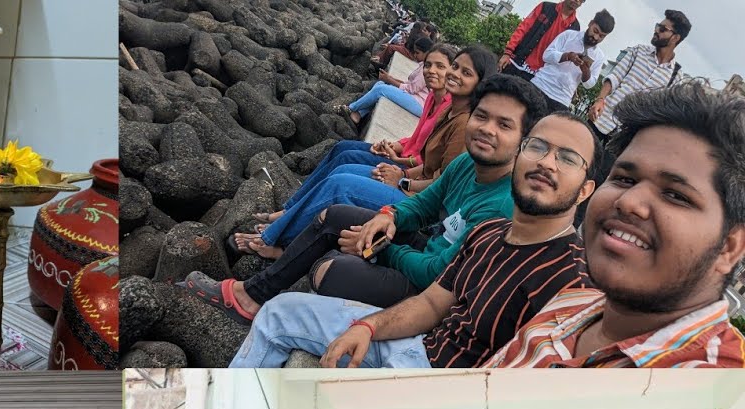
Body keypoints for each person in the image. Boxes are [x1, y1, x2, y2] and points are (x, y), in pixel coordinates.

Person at [227, 111, 595, 369]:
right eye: (538, 148)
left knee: (330, 268)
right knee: (279, 313)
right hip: (415, 344)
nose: (547, 163)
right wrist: (368, 327)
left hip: (432, 388)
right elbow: (433, 303)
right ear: (520, 155)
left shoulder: (570, 285)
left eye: (567, 158)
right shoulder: (489, 233)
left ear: (585, 190)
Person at [189, 73, 540, 326]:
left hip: (431, 292)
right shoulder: (467, 163)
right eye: (482, 116)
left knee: (327, 272)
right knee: (335, 215)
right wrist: (386, 216)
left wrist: (377, 247)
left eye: (504, 125)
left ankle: (287, 276)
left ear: (523, 140)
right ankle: (251, 295)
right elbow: (423, 206)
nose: (487, 129)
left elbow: (439, 274)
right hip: (424, 249)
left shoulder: (502, 206)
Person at [485, 84, 745, 368]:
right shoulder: (570, 304)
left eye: (675, 195)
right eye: (624, 179)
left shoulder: (715, 391)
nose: (628, 201)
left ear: (729, 248)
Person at [235, 46, 496, 257]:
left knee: (341, 185)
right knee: (343, 167)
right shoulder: (451, 111)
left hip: (420, 205)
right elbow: (427, 162)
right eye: (455, 67)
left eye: (466, 72)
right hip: (412, 183)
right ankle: (289, 216)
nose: (453, 73)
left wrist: (403, 179)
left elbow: (444, 184)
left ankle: (275, 241)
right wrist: (398, 166)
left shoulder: (464, 122)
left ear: (481, 83)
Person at [582, 8, 691, 221]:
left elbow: (661, 114)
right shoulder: (638, 52)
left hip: (624, 141)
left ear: (675, 38)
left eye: (662, 29)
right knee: (576, 170)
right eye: (657, 26)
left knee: (598, 186)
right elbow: (614, 77)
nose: (656, 31)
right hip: (599, 121)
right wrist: (600, 99)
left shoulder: (675, 77)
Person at [531, 10, 612, 112]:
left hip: (561, 99)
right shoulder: (569, 35)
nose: (596, 37)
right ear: (590, 23)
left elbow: (589, 84)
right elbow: (546, 55)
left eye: (601, 36)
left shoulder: (599, 57)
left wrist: (585, 70)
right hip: (540, 85)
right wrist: (568, 56)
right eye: (595, 31)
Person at [343, 36, 436, 122]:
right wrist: (389, 78)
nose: (415, 55)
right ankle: (359, 114)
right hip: (413, 97)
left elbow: (411, 89)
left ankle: (351, 108)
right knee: (380, 84)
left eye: (417, 53)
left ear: (427, 53)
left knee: (381, 89)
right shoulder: (422, 65)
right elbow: (409, 84)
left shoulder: (427, 69)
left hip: (419, 104)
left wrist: (389, 79)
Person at [501, 0, 584, 81]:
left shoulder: (575, 27)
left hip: (538, 76)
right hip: (516, 60)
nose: (577, 1)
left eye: (581, 0)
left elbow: (564, 57)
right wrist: (507, 53)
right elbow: (523, 28)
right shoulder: (545, 7)